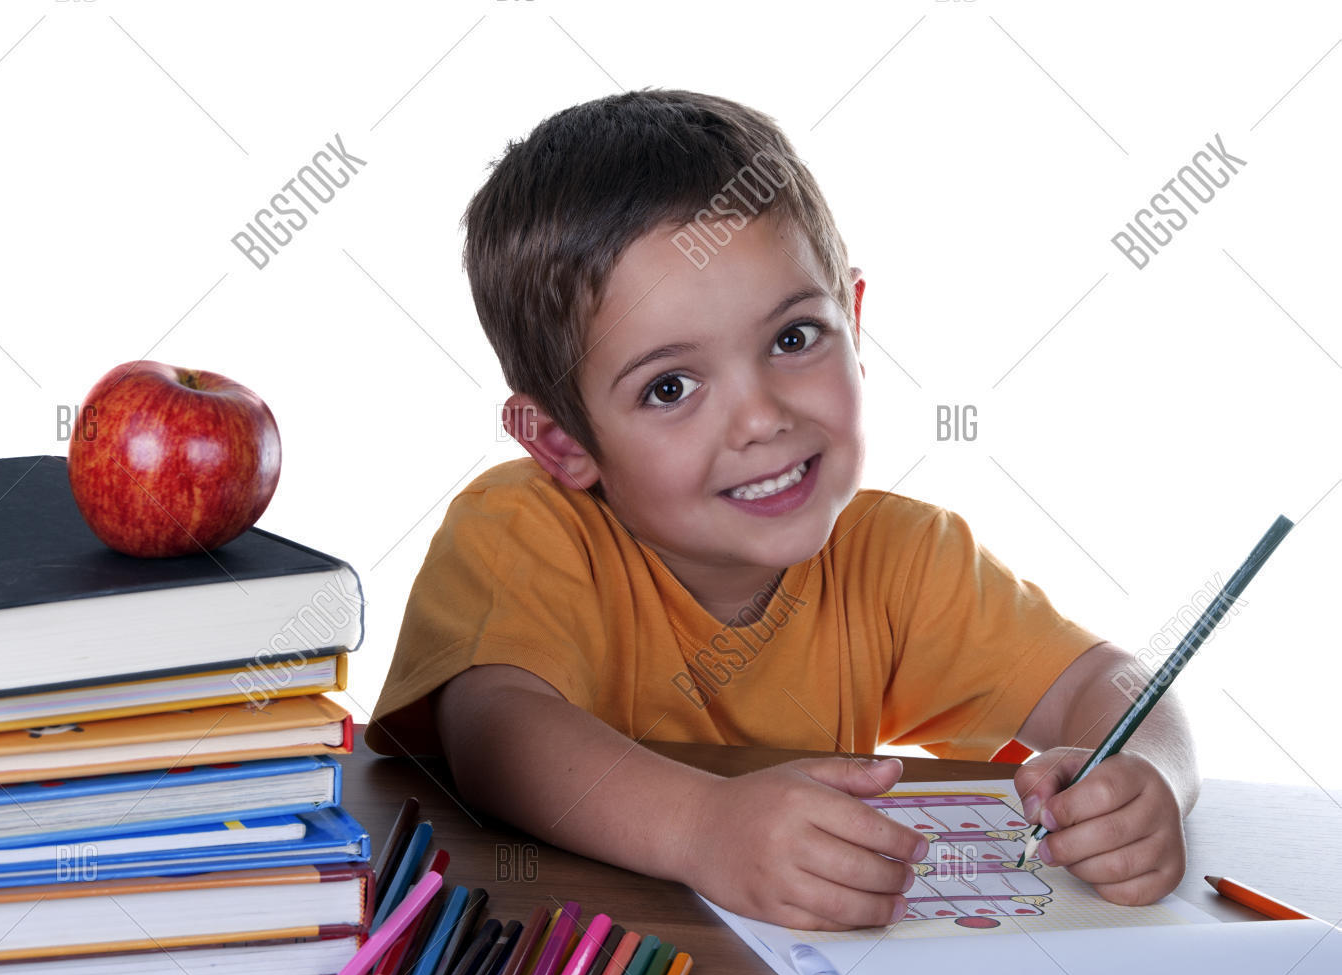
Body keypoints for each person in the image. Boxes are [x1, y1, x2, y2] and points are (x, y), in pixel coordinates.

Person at [363, 89, 1197, 930]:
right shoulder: (521, 529)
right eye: (670, 387)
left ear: (856, 322)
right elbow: (498, 736)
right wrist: (704, 828)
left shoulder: (904, 558)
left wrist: (1145, 774)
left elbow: (1110, 683)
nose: (762, 418)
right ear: (560, 442)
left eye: (793, 338)